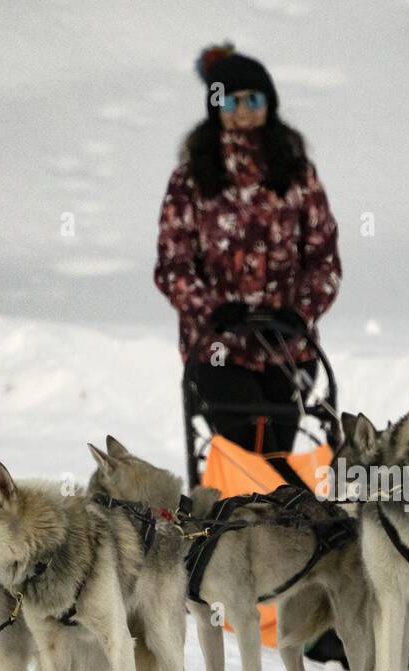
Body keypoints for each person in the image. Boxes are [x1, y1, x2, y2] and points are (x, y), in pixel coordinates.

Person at [156, 43, 341, 457]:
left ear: (269, 105)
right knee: (252, 451)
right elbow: (173, 264)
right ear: (216, 106)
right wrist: (211, 310)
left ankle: (282, 512)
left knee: (277, 446)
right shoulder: (191, 179)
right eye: (233, 101)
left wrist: (299, 311)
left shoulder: (296, 174)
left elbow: (323, 257)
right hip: (218, 347)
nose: (244, 111)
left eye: (254, 100)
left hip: (288, 345)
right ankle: (270, 509)